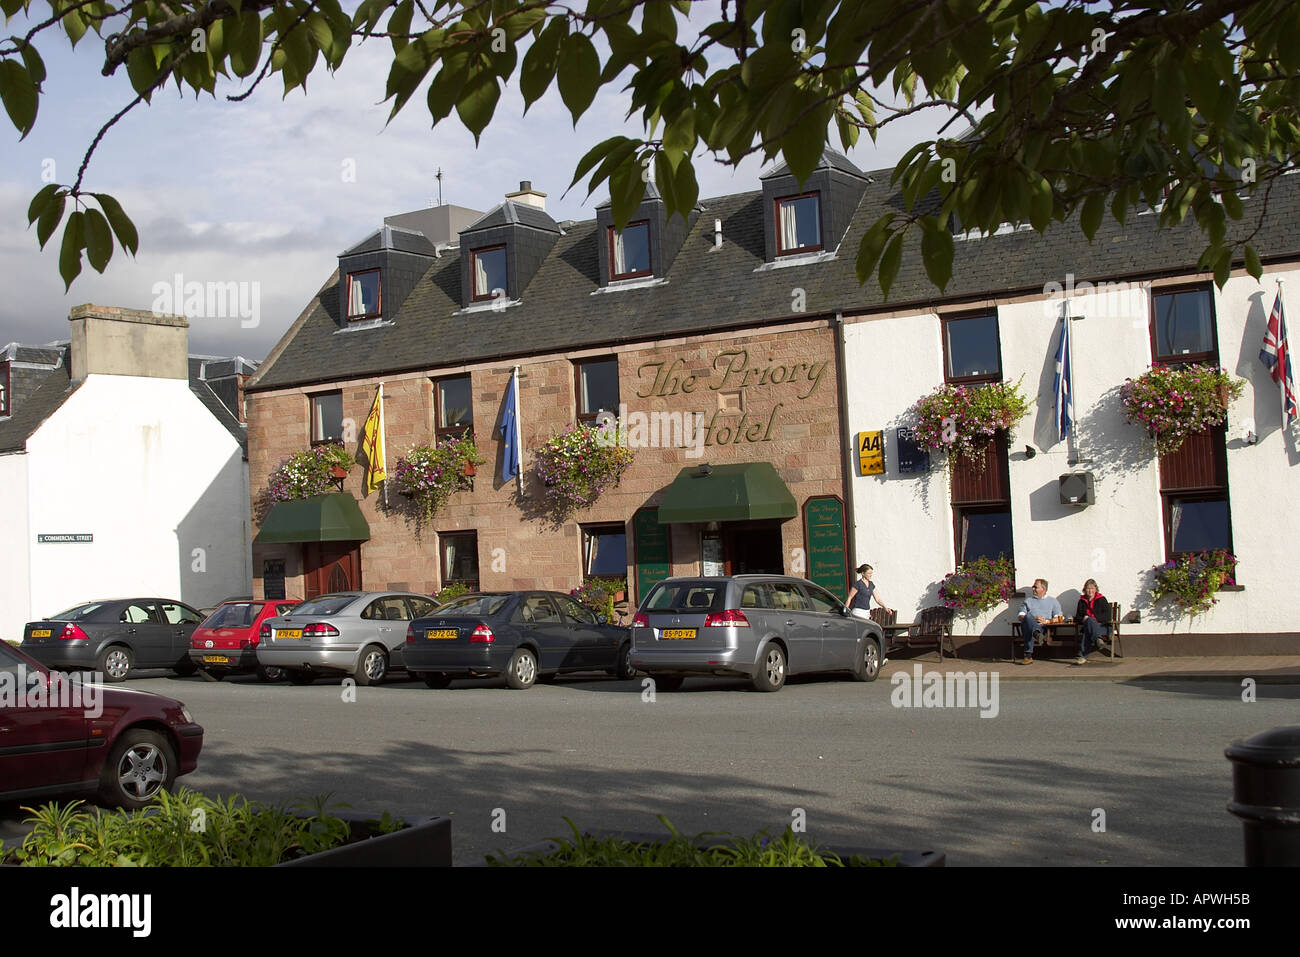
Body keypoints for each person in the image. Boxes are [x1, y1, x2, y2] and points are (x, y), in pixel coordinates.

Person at [1017, 578, 1062, 665]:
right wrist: (1032, 619)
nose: (1033, 588)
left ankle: (1028, 656)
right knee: (1028, 617)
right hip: (1030, 625)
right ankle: (1036, 634)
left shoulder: (1053, 601)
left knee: (1029, 627)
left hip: (1044, 628)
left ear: (1043, 589)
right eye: (1033, 587)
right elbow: (1020, 615)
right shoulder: (1028, 601)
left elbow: (1059, 618)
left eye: (1035, 587)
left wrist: (1047, 621)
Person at [1072, 578, 1112, 664]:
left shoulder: (1101, 599)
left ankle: (1082, 656)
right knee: (1088, 625)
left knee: (1089, 627)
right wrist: (1084, 619)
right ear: (1084, 590)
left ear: (1096, 589)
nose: (1090, 591)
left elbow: (1108, 616)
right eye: (1088, 588)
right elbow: (1078, 616)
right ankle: (1098, 639)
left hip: (1102, 627)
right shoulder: (1081, 601)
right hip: (1089, 626)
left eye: (1092, 588)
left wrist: (1093, 619)